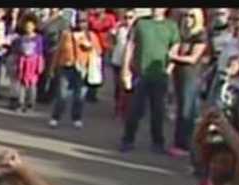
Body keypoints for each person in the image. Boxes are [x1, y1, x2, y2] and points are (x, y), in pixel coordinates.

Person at [119, 8, 180, 153]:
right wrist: (125, 68)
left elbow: (174, 49)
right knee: (134, 109)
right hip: (141, 74)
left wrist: (168, 70)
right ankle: (128, 140)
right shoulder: (141, 23)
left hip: (160, 74)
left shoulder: (171, 26)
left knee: (157, 111)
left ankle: (158, 142)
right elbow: (130, 45)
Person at [169, 10, 209, 157]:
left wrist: (173, 56)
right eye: (185, 16)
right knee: (181, 108)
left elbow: (193, 58)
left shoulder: (200, 35)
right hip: (179, 74)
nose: (188, 19)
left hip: (192, 75)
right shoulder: (182, 34)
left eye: (192, 16)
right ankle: (179, 142)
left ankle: (185, 144)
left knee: (188, 110)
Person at [48, 14, 99, 129]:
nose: (81, 24)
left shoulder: (90, 36)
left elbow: (98, 52)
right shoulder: (66, 35)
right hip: (66, 67)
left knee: (79, 96)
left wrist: (90, 47)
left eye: (84, 21)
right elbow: (58, 51)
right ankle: (55, 117)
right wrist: (52, 68)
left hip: (82, 69)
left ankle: (76, 118)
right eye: (79, 21)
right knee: (62, 95)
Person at [11, 14, 46, 113]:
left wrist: (40, 64)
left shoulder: (38, 38)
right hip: (23, 63)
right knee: (22, 84)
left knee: (32, 85)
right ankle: (20, 103)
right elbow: (17, 51)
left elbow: (40, 52)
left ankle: (30, 104)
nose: (28, 28)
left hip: (33, 63)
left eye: (30, 26)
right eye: (27, 26)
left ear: (34, 26)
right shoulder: (21, 38)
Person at [85, 8, 118, 103]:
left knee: (100, 70)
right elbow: (93, 27)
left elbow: (114, 30)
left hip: (106, 47)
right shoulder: (92, 17)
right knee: (92, 70)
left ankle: (93, 92)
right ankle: (90, 93)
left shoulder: (110, 17)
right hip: (94, 46)